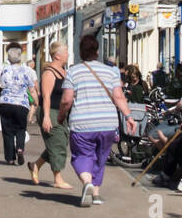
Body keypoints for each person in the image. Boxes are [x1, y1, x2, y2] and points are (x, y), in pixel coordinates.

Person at [58, 33, 136, 207]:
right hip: (107, 123)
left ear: (80, 52)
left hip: (82, 123)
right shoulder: (110, 72)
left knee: (82, 155)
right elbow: (119, 96)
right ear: (97, 51)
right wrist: (128, 116)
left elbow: (66, 100)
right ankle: (96, 194)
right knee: (101, 157)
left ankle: (87, 183)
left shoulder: (73, 72)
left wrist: (61, 116)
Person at [30, 41, 73, 188]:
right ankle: (58, 178)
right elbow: (46, 96)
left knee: (62, 140)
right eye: (66, 52)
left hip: (61, 112)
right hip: (50, 111)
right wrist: (46, 117)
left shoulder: (64, 72)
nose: (68, 55)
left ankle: (36, 165)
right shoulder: (49, 73)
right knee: (57, 141)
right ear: (58, 55)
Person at [0, 44, 37, 166]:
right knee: (20, 129)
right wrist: (36, 101)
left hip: (6, 103)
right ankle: (20, 148)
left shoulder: (3, 69)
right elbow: (32, 89)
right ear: (20, 57)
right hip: (21, 104)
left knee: (7, 131)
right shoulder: (27, 71)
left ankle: (10, 158)